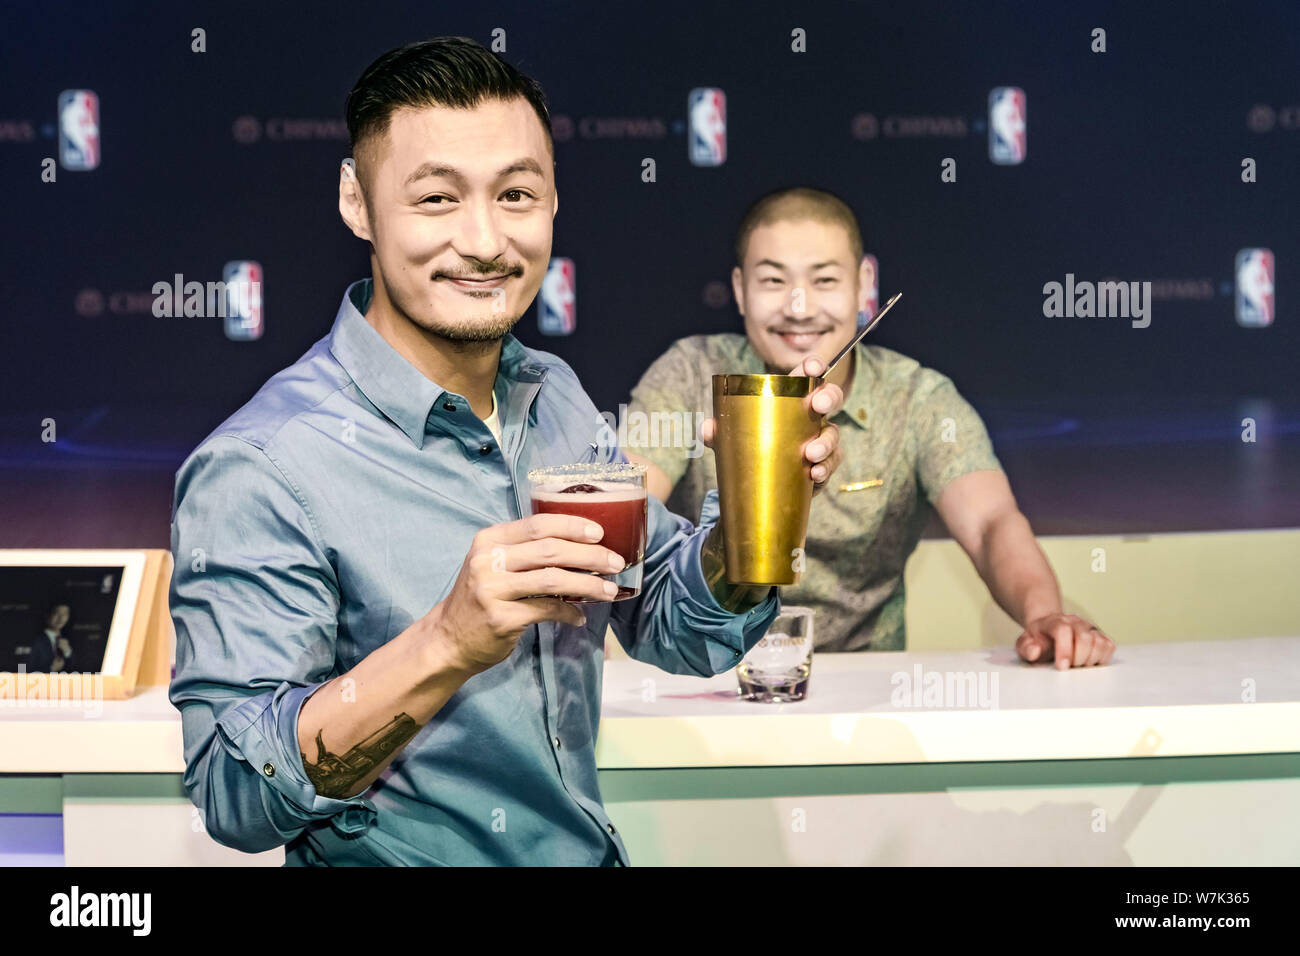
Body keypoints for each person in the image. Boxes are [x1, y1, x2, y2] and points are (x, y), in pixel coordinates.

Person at [167, 37, 846, 867]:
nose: (485, 241)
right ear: (357, 201)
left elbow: (672, 625)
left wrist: (758, 509)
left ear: (555, 201)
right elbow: (236, 796)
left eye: (516, 193)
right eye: (437, 199)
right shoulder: (263, 464)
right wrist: (445, 641)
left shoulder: (551, 393)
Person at [625, 187, 1115, 668]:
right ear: (739, 290)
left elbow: (991, 525)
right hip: (711, 681)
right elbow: (631, 504)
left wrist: (1044, 613)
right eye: (774, 281)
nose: (799, 308)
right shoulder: (690, 374)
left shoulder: (917, 398)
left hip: (869, 692)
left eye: (824, 280)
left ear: (865, 283)